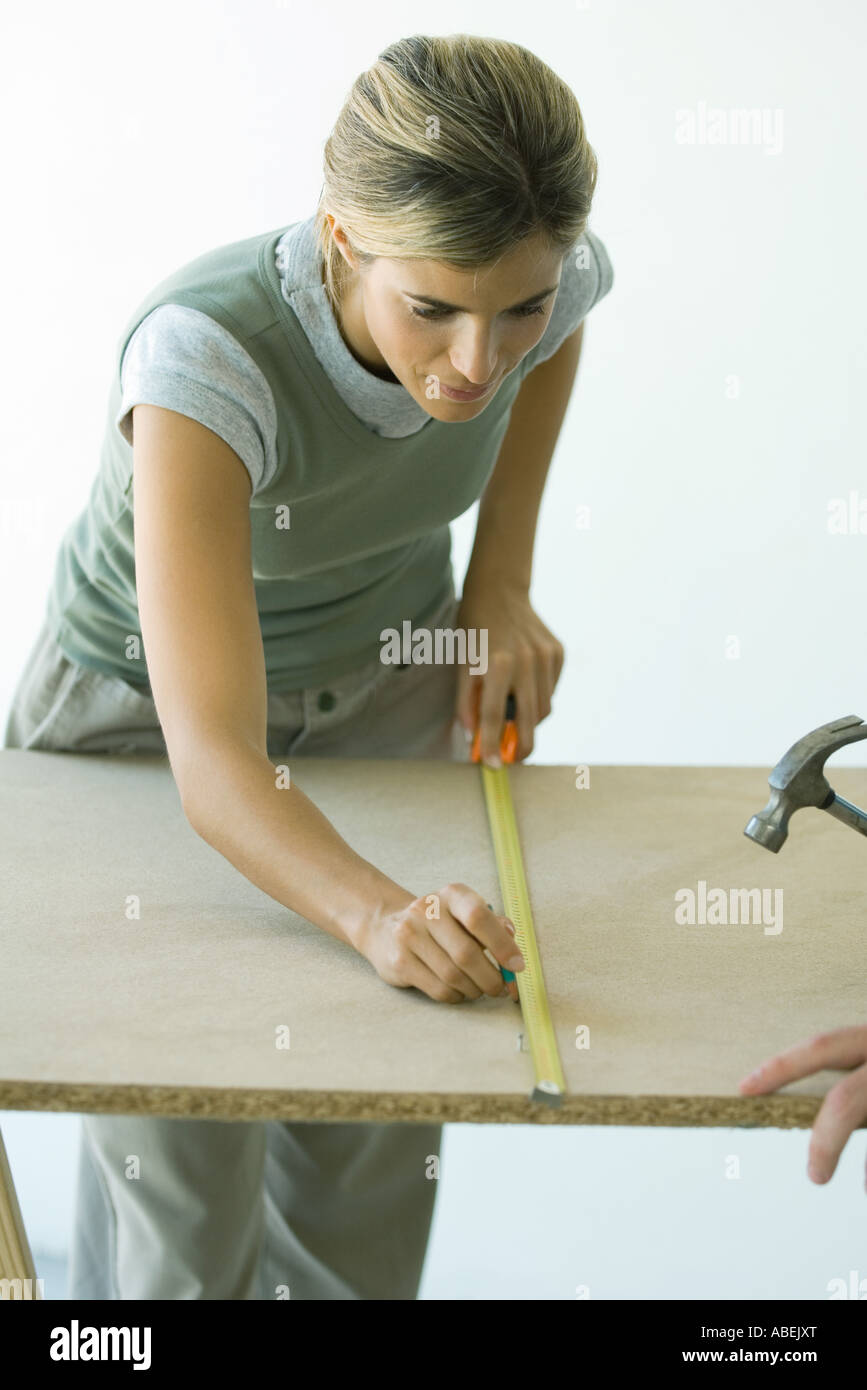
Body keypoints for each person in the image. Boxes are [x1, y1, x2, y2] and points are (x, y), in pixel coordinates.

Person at [3, 33, 613, 1298]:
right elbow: (217, 766)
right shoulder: (200, 360)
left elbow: (556, 340)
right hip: (144, 724)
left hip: (384, 675)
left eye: (521, 308)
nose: (479, 364)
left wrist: (500, 580)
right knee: (186, 1176)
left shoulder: (546, 291)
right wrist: (377, 914)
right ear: (342, 236)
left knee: (379, 1138)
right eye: (434, 308)